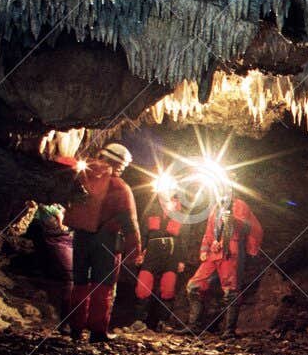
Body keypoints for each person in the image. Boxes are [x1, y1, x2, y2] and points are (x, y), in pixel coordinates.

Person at [64, 143, 142, 344]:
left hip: (81, 237)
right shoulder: (120, 187)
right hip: (106, 240)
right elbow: (128, 221)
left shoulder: (82, 176)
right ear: (119, 164)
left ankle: (75, 328)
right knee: (103, 285)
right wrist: (135, 251)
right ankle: (97, 332)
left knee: (80, 282)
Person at [186, 191, 262, 335]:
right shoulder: (216, 207)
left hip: (231, 251)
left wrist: (233, 220)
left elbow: (247, 226)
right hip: (214, 252)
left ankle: (229, 331)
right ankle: (194, 325)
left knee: (231, 290)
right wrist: (204, 249)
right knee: (194, 286)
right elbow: (209, 231)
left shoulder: (239, 205)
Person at [134, 176, 188, 330]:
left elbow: (185, 238)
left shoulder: (182, 212)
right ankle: (140, 321)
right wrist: (139, 252)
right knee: (143, 284)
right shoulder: (151, 208)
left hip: (173, 252)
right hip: (152, 250)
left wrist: (182, 260)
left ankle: (162, 322)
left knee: (168, 287)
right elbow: (143, 232)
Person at [26, 202, 74, 331]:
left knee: (77, 278)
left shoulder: (63, 203)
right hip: (57, 239)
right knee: (70, 278)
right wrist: (58, 215)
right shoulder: (45, 206)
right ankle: (66, 322)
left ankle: (74, 321)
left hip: (69, 238)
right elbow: (46, 213)